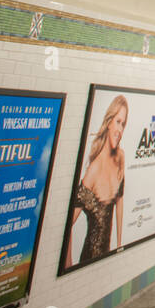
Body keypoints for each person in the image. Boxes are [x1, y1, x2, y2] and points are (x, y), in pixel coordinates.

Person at [64, 94, 128, 269]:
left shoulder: (120, 157)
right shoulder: (94, 170)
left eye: (123, 124)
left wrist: (119, 244)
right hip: (90, 255)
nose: (120, 129)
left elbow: (120, 202)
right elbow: (68, 222)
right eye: (117, 122)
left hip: (108, 251)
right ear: (108, 122)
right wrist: (68, 263)